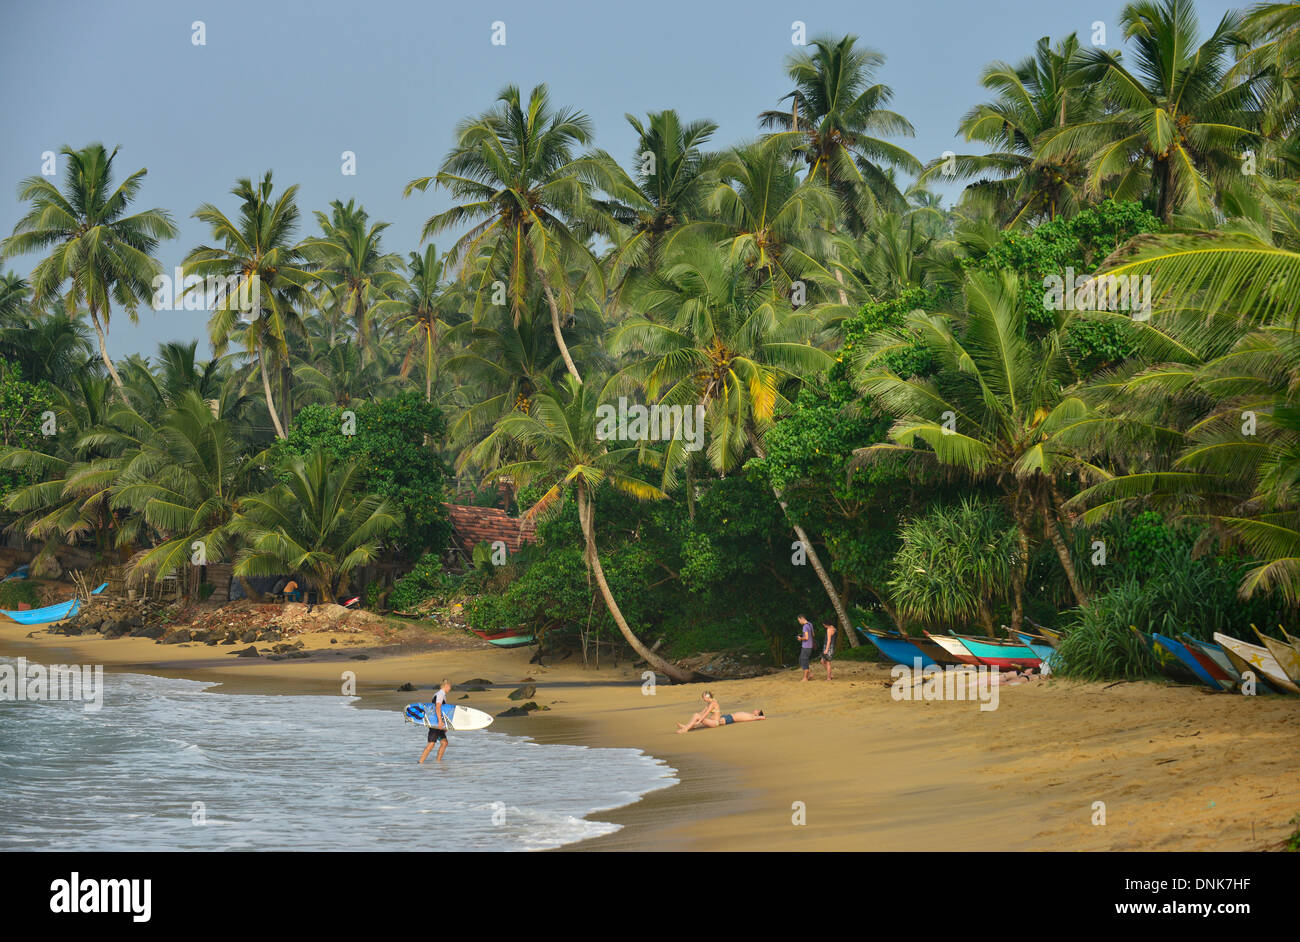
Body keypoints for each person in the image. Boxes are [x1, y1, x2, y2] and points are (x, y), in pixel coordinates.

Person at [418, 679, 453, 763]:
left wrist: (444, 725)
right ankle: (420, 763)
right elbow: (437, 707)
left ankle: (438, 763)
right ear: (446, 686)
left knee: (444, 743)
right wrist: (440, 722)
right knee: (431, 744)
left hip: (438, 723)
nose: (450, 689)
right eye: (450, 687)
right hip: (435, 723)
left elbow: (441, 710)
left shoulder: (441, 694)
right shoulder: (440, 694)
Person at [796, 615, 815, 681]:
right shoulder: (810, 624)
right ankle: (810, 674)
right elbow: (813, 635)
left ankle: (805, 678)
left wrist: (800, 638)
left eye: (799, 620)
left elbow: (806, 637)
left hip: (806, 646)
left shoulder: (805, 626)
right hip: (809, 646)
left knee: (804, 661)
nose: (799, 622)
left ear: (802, 619)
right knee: (801, 660)